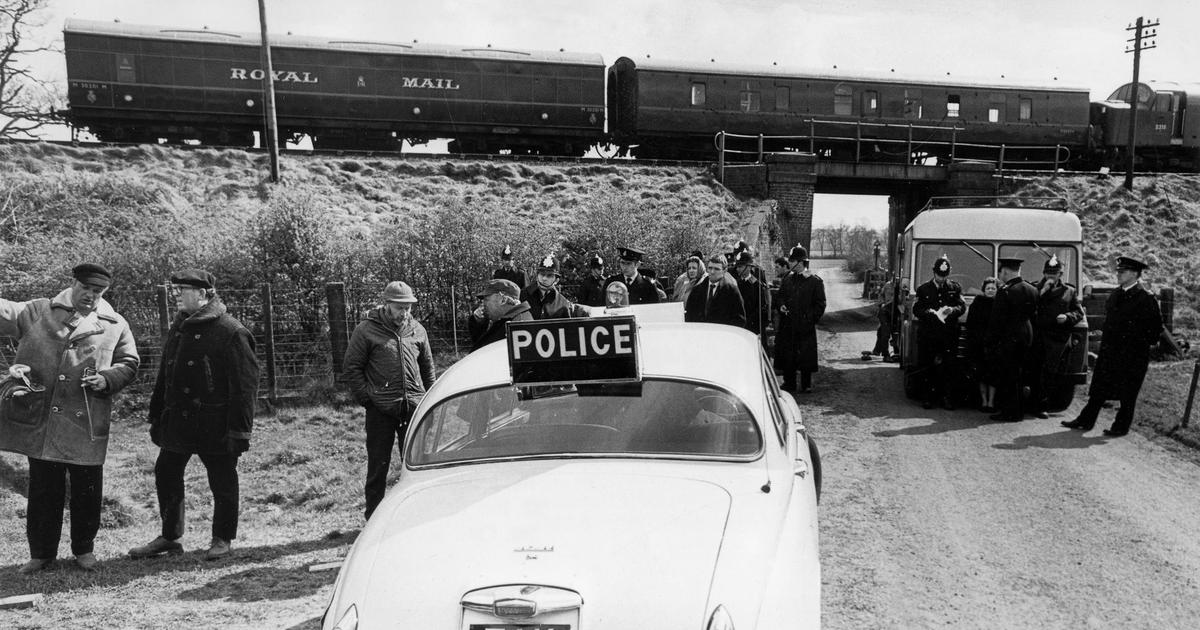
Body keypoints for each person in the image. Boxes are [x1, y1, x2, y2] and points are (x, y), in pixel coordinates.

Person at [0, 263, 140, 574]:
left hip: (86, 419)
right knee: (43, 489)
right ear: (73, 283)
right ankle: (41, 554)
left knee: (87, 489)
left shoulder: (115, 323)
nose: (90, 295)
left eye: (98, 291)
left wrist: (108, 379)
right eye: (86, 288)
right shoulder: (38, 311)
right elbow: (5, 312)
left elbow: (129, 362)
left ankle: (84, 550)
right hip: (44, 419)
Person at [129, 270, 258, 562]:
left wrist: (240, 431)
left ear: (203, 294)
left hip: (215, 424)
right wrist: (157, 415)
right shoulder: (181, 327)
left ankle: (222, 538)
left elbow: (245, 388)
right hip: (179, 423)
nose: (178, 295)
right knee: (167, 472)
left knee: (223, 480)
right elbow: (167, 373)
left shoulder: (231, 331)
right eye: (177, 289)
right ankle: (170, 537)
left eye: (184, 290)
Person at [337, 280, 435, 520]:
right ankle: (373, 519)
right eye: (400, 307)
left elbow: (428, 368)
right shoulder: (366, 330)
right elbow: (351, 368)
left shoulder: (418, 330)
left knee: (415, 466)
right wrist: (368, 399)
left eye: (408, 307)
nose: (405, 312)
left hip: (413, 408)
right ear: (387, 304)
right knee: (378, 467)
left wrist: (430, 400)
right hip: (380, 410)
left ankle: (414, 517)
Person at [1062, 256, 1179, 436]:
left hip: (1133, 354)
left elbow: (1155, 329)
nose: (1118, 275)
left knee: (1128, 394)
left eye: (1122, 272)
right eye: (1118, 271)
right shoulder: (1116, 294)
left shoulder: (1145, 297)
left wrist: (1137, 344)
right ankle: (1085, 421)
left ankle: (1120, 427)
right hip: (1111, 351)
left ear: (1134, 274)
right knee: (1099, 388)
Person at [1027, 255, 1084, 418]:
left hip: (1056, 339)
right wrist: (1042, 291)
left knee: (1049, 372)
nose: (1051, 276)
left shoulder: (1069, 291)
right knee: (1033, 370)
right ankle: (1030, 402)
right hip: (1037, 336)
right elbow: (1029, 305)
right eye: (1048, 273)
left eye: (1055, 273)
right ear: (1044, 274)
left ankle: (1042, 405)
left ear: (1060, 274)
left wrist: (1067, 317)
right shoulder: (1035, 289)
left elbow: (1078, 313)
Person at [986, 257, 1038, 422]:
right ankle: (1019, 410)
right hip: (1026, 336)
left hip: (1009, 338)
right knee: (1020, 375)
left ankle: (1009, 411)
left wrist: (991, 341)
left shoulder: (1005, 291)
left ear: (1006, 271)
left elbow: (997, 320)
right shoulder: (1032, 289)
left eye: (1000, 271)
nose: (1000, 274)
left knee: (1008, 375)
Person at [912, 256, 966, 410]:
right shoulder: (923, 289)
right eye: (939, 275)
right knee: (927, 365)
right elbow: (916, 309)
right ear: (934, 273)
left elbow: (962, 306)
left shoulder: (955, 288)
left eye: (944, 276)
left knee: (949, 367)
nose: (941, 279)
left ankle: (947, 398)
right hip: (929, 335)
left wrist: (953, 310)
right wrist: (927, 312)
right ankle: (927, 397)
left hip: (948, 335)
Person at [777, 246, 826, 392]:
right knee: (788, 355)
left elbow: (820, 304)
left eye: (792, 261)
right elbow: (780, 297)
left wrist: (810, 319)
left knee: (805, 355)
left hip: (805, 326)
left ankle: (806, 384)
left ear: (800, 262)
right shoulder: (788, 280)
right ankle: (789, 382)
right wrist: (781, 306)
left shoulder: (814, 282)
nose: (789, 264)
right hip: (789, 324)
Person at [468, 279, 533, 351]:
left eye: (486, 299)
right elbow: (481, 348)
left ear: (503, 300)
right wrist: (479, 323)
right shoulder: (508, 321)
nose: (483, 304)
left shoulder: (518, 326)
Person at [965, 277, 999, 412]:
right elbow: (970, 324)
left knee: (993, 375)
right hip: (979, 345)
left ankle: (991, 402)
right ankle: (984, 401)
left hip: (994, 345)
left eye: (993, 288)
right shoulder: (977, 303)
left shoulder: (1000, 304)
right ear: (984, 290)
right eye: (988, 288)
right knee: (981, 374)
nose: (990, 291)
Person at [684, 255, 747, 327]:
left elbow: (740, 320)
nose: (712, 272)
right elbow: (688, 316)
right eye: (710, 268)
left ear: (724, 271)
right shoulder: (697, 290)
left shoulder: (732, 291)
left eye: (716, 269)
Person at [520, 254, 587, 319]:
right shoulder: (522, 296)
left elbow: (566, 328)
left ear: (556, 280)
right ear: (537, 275)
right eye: (542, 274)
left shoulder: (562, 303)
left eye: (549, 275)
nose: (544, 278)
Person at [734, 250, 770, 342]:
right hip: (739, 325)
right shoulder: (735, 283)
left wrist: (748, 321)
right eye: (737, 267)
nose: (738, 269)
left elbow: (761, 307)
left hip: (752, 325)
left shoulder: (756, 285)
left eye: (740, 267)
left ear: (749, 267)